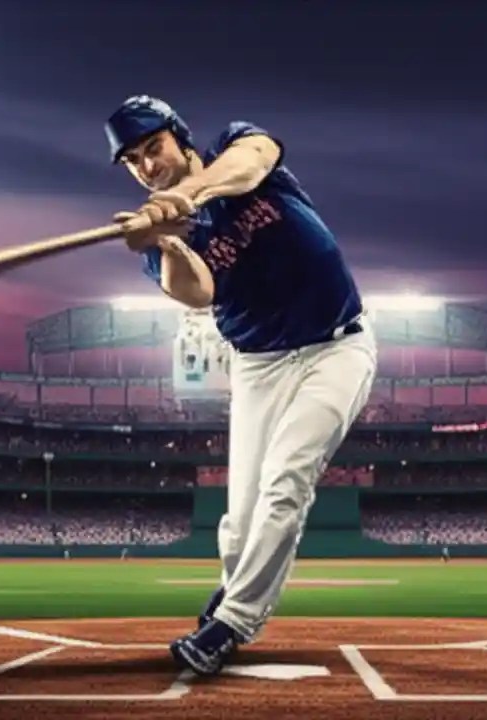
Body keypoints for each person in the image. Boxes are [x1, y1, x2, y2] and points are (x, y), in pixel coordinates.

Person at [104, 96, 378, 676]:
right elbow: (198, 292)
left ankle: (233, 622)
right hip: (258, 365)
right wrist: (171, 240)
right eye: (134, 162)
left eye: (154, 148)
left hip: (336, 347)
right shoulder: (160, 240)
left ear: (180, 137)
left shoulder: (238, 145)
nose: (148, 166)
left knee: (287, 482)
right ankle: (233, 588)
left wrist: (189, 197)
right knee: (241, 517)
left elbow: (251, 163)